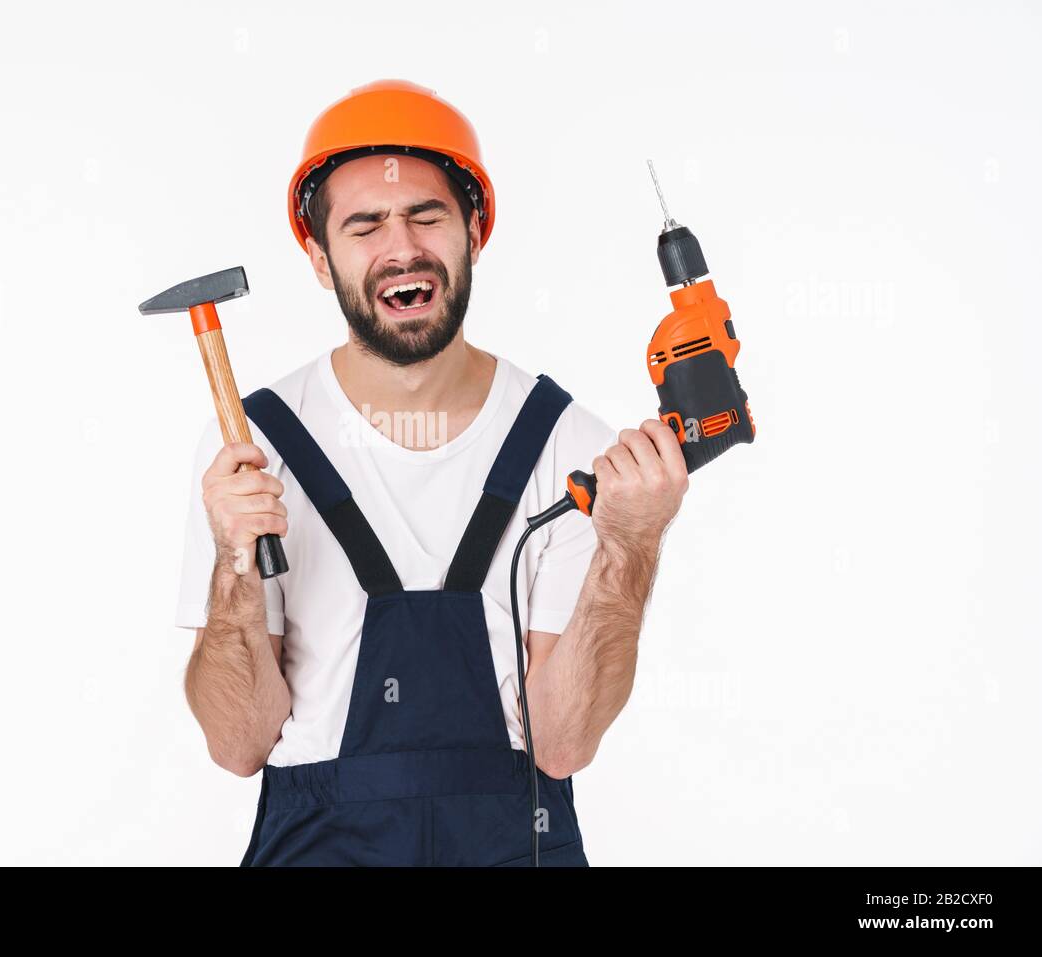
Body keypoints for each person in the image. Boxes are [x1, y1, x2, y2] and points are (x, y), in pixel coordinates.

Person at [175, 80, 688, 866]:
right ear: (319, 258)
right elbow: (237, 743)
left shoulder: (564, 446)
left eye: (426, 215)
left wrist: (631, 548)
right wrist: (234, 565)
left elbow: (564, 741)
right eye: (365, 224)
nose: (401, 247)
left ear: (474, 231)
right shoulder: (251, 452)